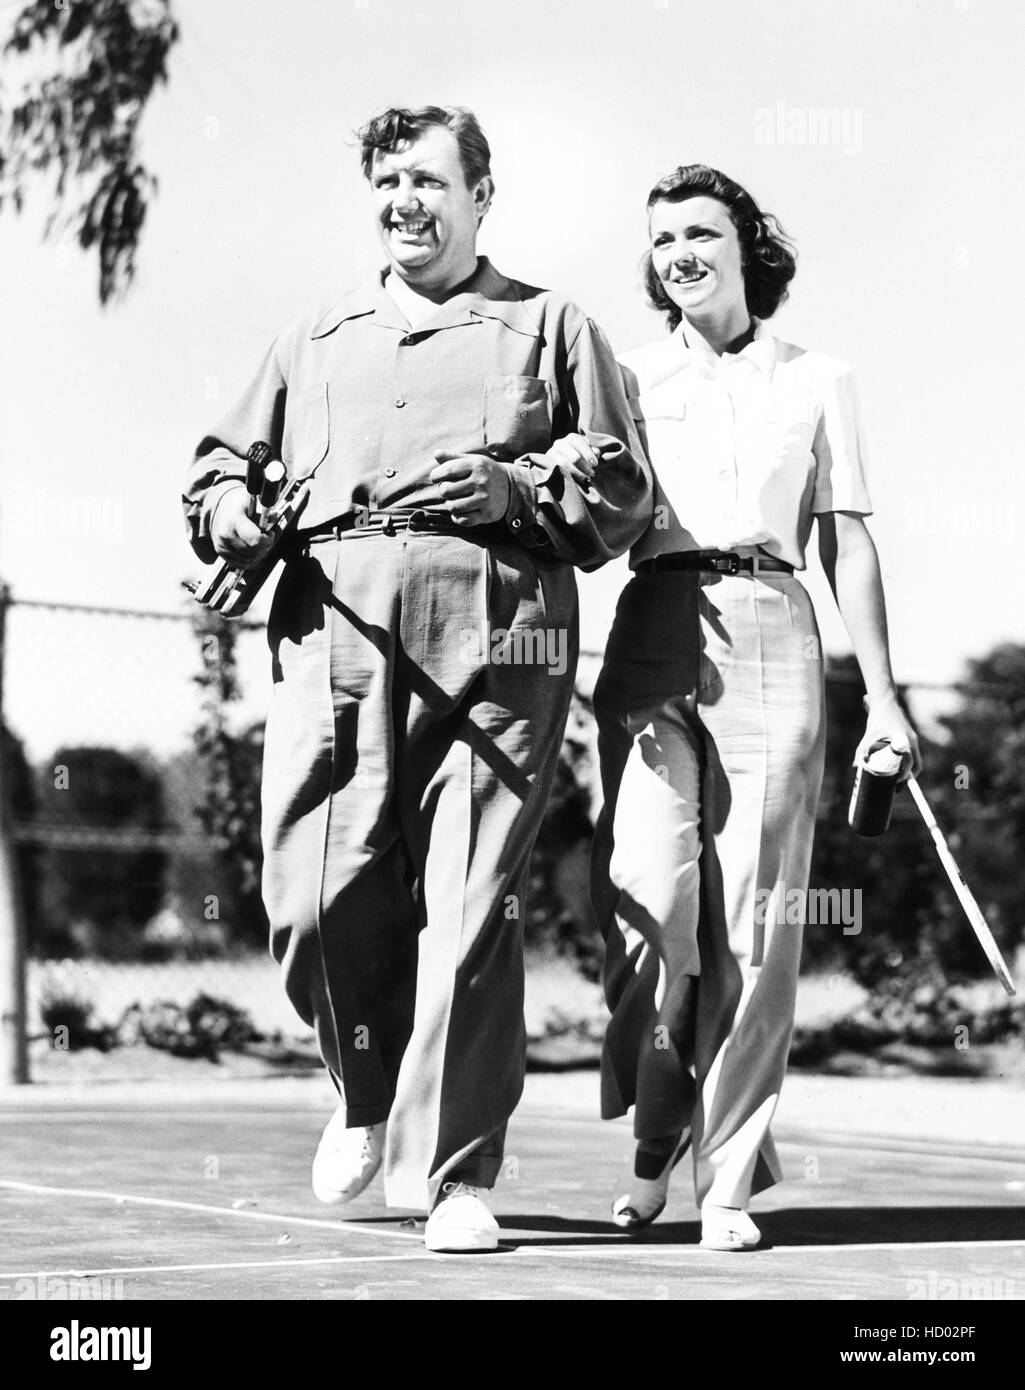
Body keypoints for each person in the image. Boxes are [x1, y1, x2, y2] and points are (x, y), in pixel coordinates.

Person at [182, 106, 651, 1253]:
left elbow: (624, 493)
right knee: (310, 897)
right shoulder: (312, 337)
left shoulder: (552, 326)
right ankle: (361, 1086)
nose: (406, 199)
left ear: (481, 197)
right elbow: (215, 476)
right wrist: (235, 509)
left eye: (430, 180)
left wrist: (516, 491)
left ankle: (452, 1176)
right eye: (388, 180)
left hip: (502, 646)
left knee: (471, 902)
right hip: (331, 637)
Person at [549, 163, 921, 1250]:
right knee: (649, 901)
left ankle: (722, 1178)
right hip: (652, 625)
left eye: (699, 232)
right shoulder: (621, 374)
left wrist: (885, 701)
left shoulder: (817, 377)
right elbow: (585, 514)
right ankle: (657, 1132)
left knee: (757, 917)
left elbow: (847, 540)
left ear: (744, 244)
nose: (677, 254)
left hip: (773, 625)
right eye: (660, 238)